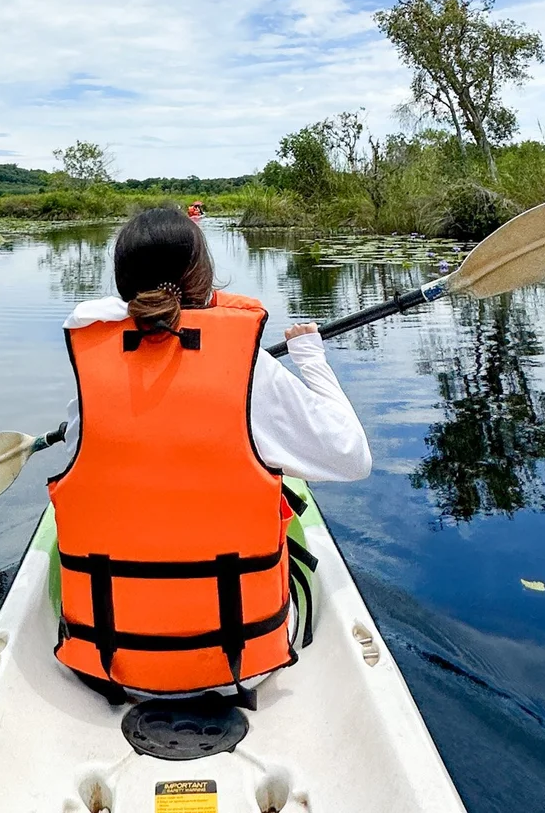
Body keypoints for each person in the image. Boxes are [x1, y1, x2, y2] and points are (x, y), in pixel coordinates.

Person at [48, 205, 370, 707]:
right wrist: (311, 358)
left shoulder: (92, 370)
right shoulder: (251, 369)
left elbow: (81, 451)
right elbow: (352, 458)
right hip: (240, 665)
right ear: (205, 278)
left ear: (122, 284)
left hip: (111, 664)